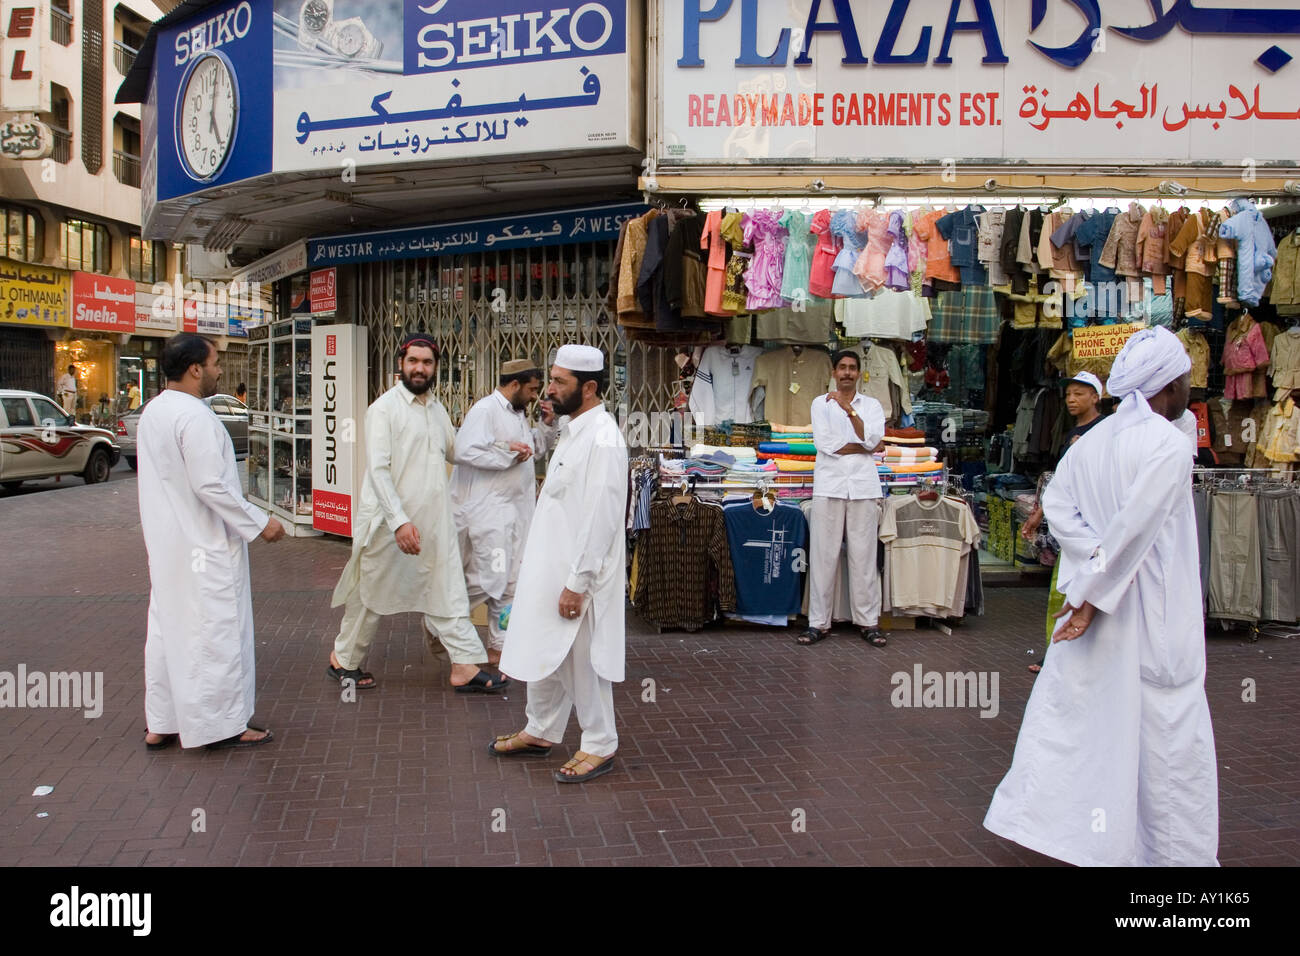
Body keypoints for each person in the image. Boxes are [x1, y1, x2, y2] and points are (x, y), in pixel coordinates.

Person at [984, 326, 1218, 867]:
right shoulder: (1169, 447)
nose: (1191, 387)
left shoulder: (1092, 446)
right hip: (1151, 616)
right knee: (1168, 744)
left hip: (1101, 613)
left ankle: (1104, 843)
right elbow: (1136, 527)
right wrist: (1095, 590)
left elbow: (1064, 512)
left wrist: (1090, 578)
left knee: (1102, 733)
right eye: (1184, 378)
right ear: (1166, 384)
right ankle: (1175, 864)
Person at [326, 333, 506, 694]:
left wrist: (506, 450)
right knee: (372, 595)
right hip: (388, 525)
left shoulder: (437, 410)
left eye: (426, 362)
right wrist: (399, 522)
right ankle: (343, 659)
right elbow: (378, 470)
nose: (419, 368)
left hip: (434, 525)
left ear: (436, 366)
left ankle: (465, 665)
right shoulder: (384, 410)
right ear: (401, 364)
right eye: (413, 361)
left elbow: (458, 452)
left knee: (447, 590)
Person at [138, 333, 285, 751]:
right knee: (217, 631)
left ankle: (162, 722)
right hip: (205, 546)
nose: (220, 370)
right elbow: (211, 486)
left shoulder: (154, 412)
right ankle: (223, 724)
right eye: (216, 362)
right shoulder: (195, 416)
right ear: (195, 369)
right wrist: (259, 523)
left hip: (167, 547)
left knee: (168, 630)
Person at [489, 345, 628, 783]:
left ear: (589, 388)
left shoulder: (604, 439)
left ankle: (600, 743)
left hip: (578, 574)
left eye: (559, 382)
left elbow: (600, 519)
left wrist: (578, 583)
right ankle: (541, 730)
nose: (548, 389)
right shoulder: (574, 429)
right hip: (551, 567)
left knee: (580, 659)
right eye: (550, 379)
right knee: (544, 649)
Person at [450, 359, 558, 667]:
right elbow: (464, 450)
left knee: (512, 582)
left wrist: (546, 427)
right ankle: (441, 619)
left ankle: (499, 649)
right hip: (488, 512)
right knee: (488, 580)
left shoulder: (519, 414)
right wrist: (506, 452)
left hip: (517, 512)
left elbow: (531, 450)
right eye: (532, 390)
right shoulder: (485, 411)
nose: (535, 396)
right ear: (515, 385)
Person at [1020, 371, 1105, 673]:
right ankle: (1057, 651)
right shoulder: (1071, 434)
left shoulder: (1104, 431)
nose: (1071, 399)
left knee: (1085, 587)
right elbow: (1062, 481)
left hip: (1093, 527)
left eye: (1079, 394)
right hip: (1068, 527)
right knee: (1062, 589)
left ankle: (1072, 654)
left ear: (1096, 397)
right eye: (1069, 394)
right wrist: (1038, 513)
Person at [800, 349, 887, 647]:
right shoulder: (819, 404)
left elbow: (875, 442)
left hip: (863, 487)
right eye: (843, 368)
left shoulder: (872, 405)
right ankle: (817, 623)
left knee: (863, 557)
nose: (847, 372)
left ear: (859, 373)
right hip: (829, 485)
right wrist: (862, 445)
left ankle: (868, 623)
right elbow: (826, 445)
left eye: (852, 368)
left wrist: (849, 411)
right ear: (834, 372)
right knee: (823, 556)